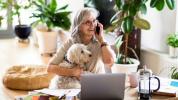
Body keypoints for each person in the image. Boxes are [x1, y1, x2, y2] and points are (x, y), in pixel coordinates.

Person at [47, 7, 115, 82]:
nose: (92, 25)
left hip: (96, 84)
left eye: (94, 21)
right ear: (78, 26)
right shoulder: (71, 42)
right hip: (76, 87)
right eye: (87, 22)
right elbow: (50, 68)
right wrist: (72, 72)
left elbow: (109, 63)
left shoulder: (101, 41)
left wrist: (101, 40)